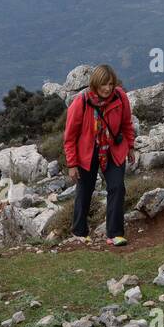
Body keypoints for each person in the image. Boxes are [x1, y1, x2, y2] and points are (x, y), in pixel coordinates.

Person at [63, 64, 136, 246]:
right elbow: (70, 136)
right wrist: (72, 164)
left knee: (117, 187)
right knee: (85, 190)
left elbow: (127, 123)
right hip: (87, 152)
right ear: (95, 84)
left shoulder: (120, 97)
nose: (107, 88)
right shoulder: (81, 102)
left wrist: (131, 147)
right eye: (104, 84)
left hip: (112, 149)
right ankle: (79, 231)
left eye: (110, 84)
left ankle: (115, 233)